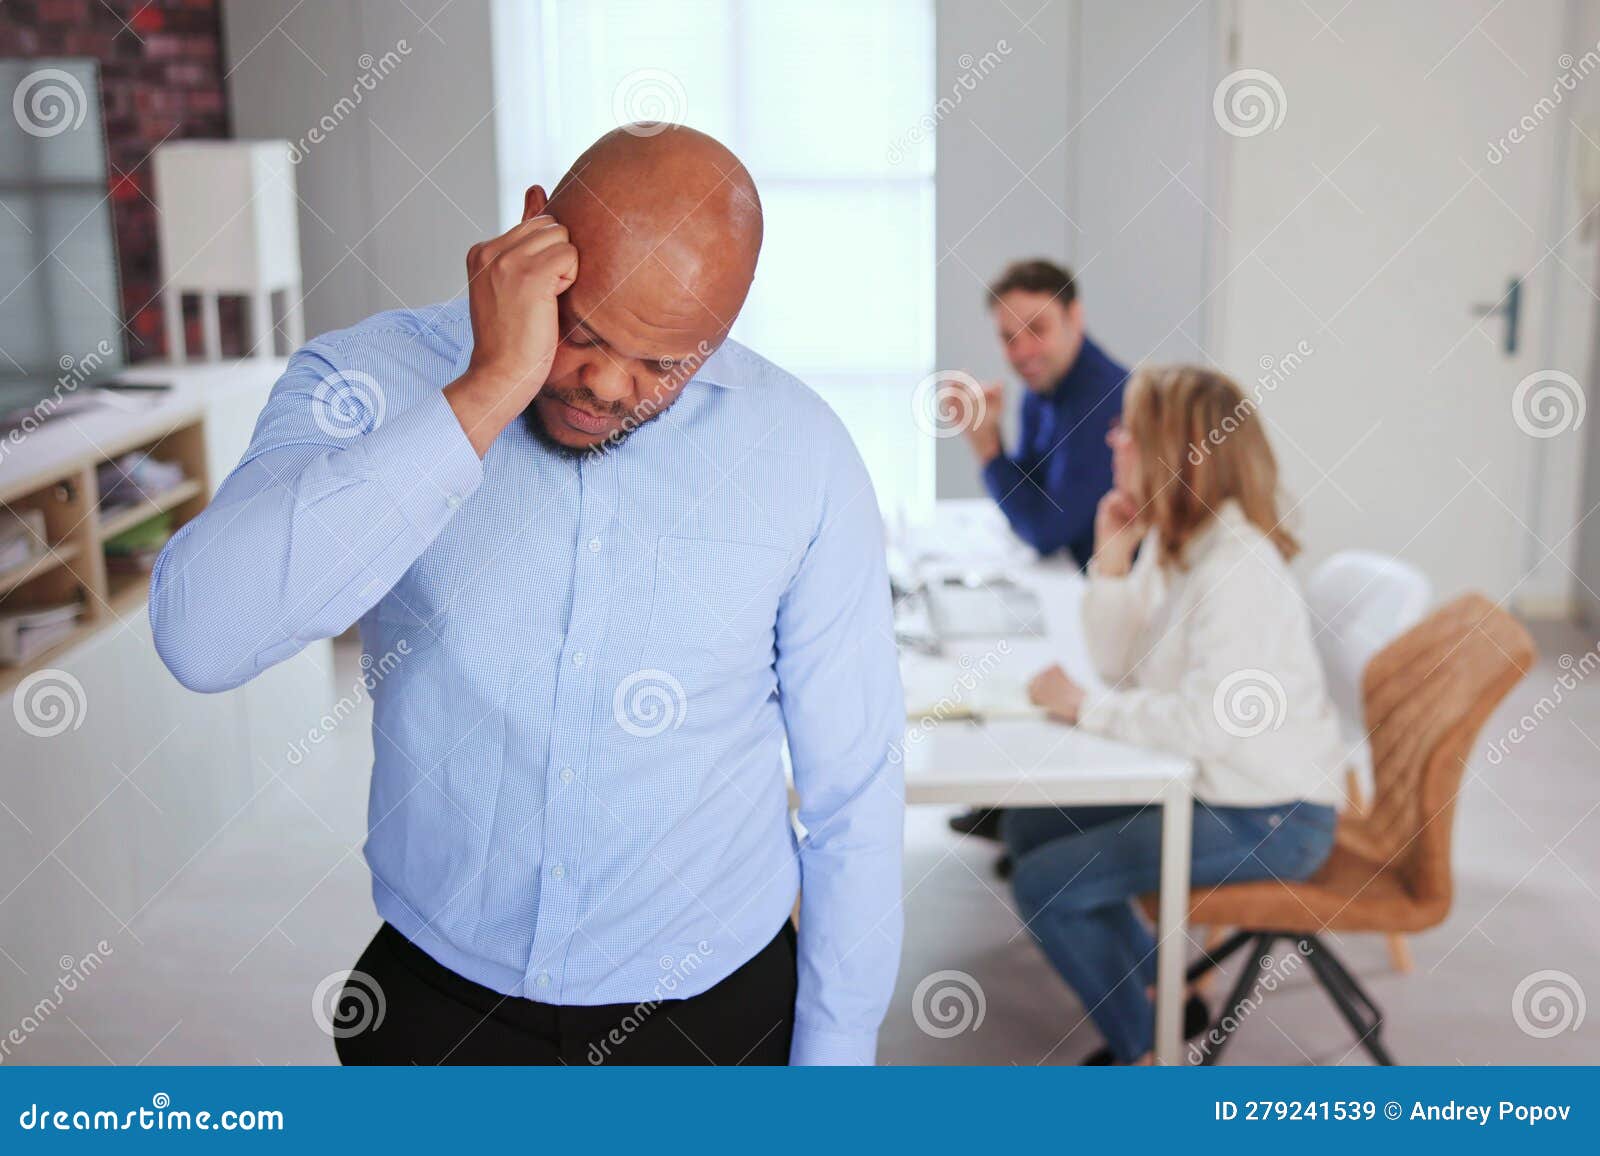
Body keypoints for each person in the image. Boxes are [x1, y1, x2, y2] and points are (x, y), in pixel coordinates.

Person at [149, 124, 905, 1066]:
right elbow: (202, 637)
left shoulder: (805, 452)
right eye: (581, 331)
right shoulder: (366, 383)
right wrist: (488, 388)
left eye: (663, 364)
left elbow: (854, 793)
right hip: (435, 1001)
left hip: (715, 1012)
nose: (606, 383)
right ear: (532, 233)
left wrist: (836, 1069)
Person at [1009, 364, 1343, 1065]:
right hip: (1220, 783)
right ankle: (1166, 996)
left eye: (1131, 429)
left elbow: (1201, 725)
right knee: (1029, 821)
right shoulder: (1182, 540)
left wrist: (1086, 710)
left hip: (1272, 814)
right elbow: (1118, 663)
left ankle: (1147, 1054)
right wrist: (1112, 559)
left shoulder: (1235, 569)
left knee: (1048, 881)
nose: (1113, 437)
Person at [947, 259, 1128, 842]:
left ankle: (1036, 815)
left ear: (1075, 317)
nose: (1022, 350)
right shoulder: (1044, 389)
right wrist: (995, 442)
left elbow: (1045, 527)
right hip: (1072, 579)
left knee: (1004, 646)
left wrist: (985, 449)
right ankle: (1012, 805)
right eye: (1007, 336)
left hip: (1109, 598)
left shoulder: (1103, 399)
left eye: (1037, 328)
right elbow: (1035, 491)